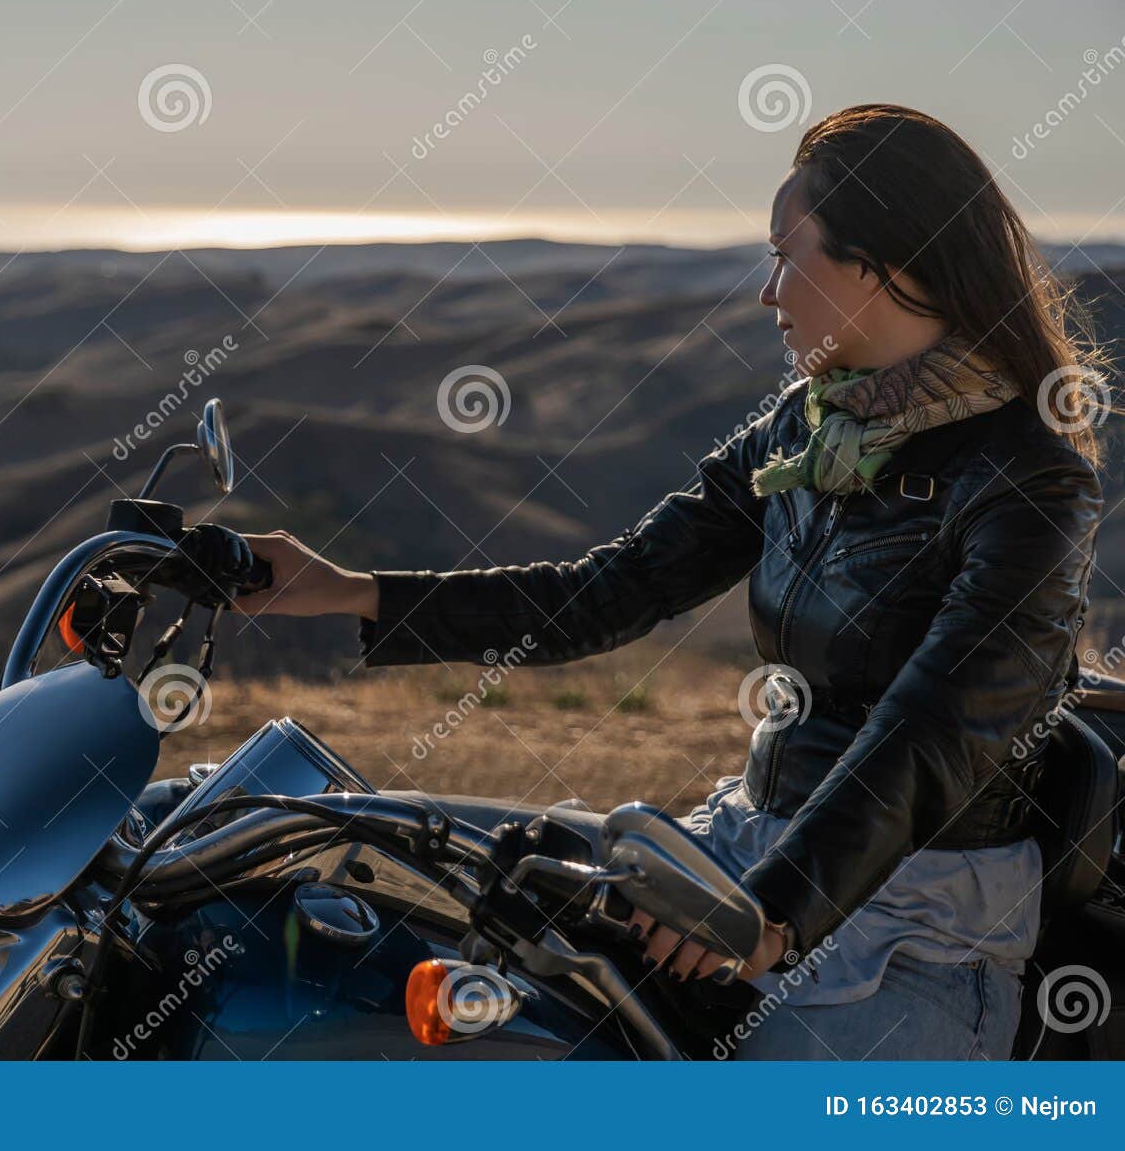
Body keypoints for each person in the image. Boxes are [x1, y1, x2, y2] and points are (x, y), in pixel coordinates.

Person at [230, 104, 1109, 1059]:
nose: (769, 293)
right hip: (752, 847)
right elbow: (611, 588)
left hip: (917, 924)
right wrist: (348, 589)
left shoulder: (1029, 478)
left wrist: (774, 912)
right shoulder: (805, 432)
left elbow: (934, 728)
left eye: (788, 255)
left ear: (881, 267)